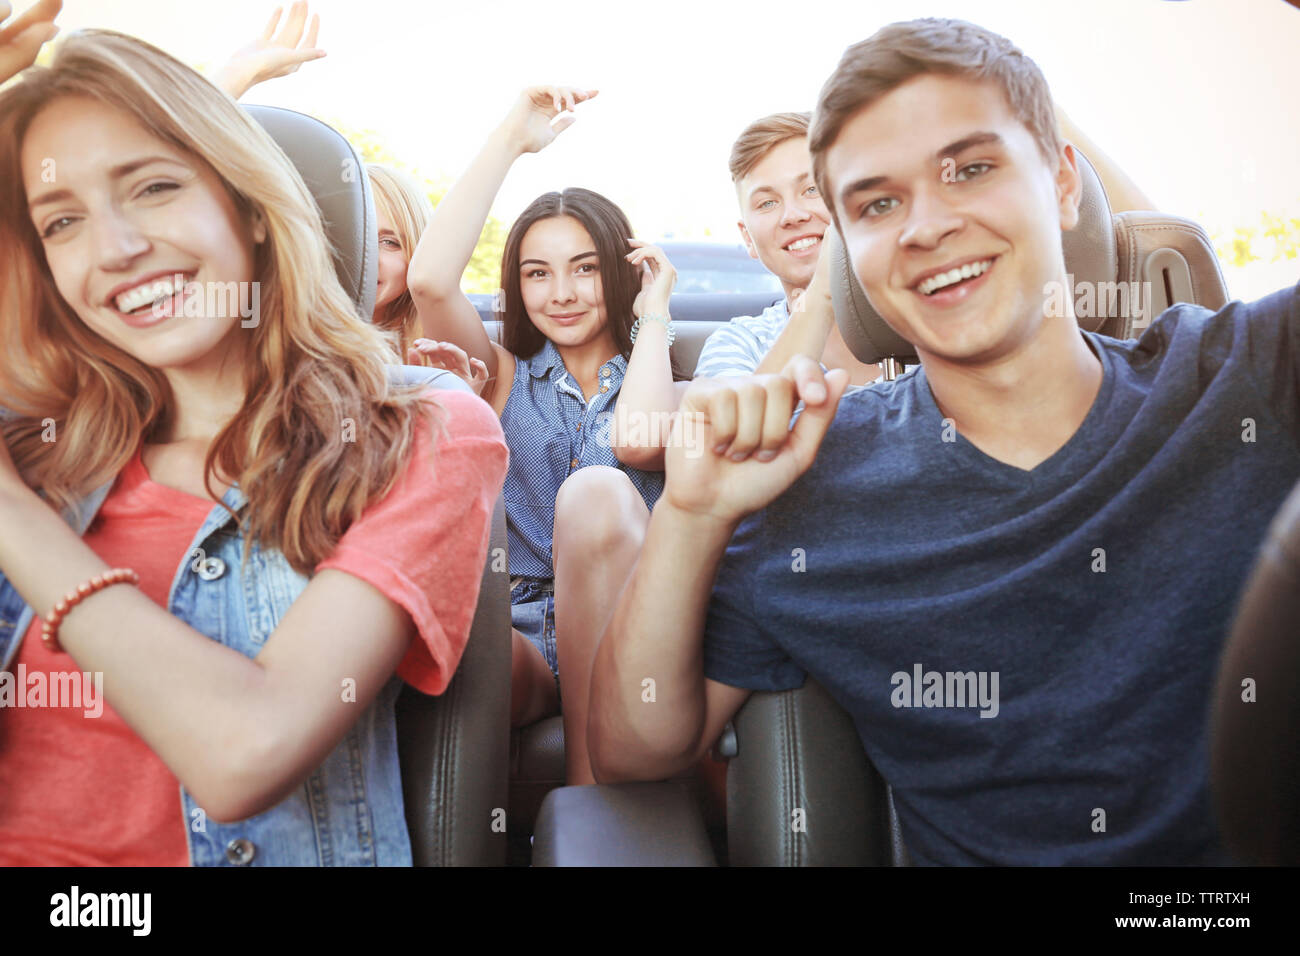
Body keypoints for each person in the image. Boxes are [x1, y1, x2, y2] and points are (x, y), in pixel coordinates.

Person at [589, 17, 1300, 865]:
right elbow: (634, 749)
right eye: (878, 203)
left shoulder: (1247, 374)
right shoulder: (807, 480)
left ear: (1063, 182)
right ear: (848, 249)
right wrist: (692, 517)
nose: (927, 225)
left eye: (971, 169)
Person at [0, 24, 508, 865]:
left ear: (250, 208)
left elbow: (244, 753)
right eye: (62, 222)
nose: (116, 250)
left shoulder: (417, 426)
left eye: (155, 187)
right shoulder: (37, 440)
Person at [407, 85, 681, 785]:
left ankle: (592, 805)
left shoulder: (664, 380)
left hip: (633, 632)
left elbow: (643, 439)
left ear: (622, 271)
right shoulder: (501, 375)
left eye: (585, 268)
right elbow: (433, 281)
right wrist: (511, 140)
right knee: (446, 653)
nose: (560, 292)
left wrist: (654, 317)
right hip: (522, 628)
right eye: (537, 273)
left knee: (597, 490)